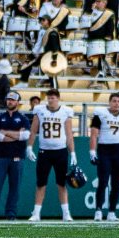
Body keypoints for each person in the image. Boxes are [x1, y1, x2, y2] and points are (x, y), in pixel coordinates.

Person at [29, 84, 78, 222]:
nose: (50, 100)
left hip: (60, 152)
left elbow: (69, 135)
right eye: (49, 98)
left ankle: (66, 213)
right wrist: (29, 147)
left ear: (58, 99)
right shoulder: (39, 110)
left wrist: (73, 152)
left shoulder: (65, 112)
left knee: (61, 184)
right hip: (44, 151)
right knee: (41, 183)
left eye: (53, 98)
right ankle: (36, 213)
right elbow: (33, 130)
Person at [89, 89, 119, 222]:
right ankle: (98, 210)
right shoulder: (100, 114)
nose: (117, 104)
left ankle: (111, 212)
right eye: (114, 101)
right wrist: (92, 151)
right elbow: (94, 134)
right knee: (103, 181)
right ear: (109, 102)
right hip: (105, 150)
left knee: (116, 184)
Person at [0, 88, 31, 220]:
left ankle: (11, 213)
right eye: (8, 99)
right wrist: (16, 135)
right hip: (0, 156)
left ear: (18, 102)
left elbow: (26, 135)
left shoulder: (23, 119)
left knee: (14, 187)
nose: (10, 101)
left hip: (17, 156)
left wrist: (5, 132)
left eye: (12, 100)